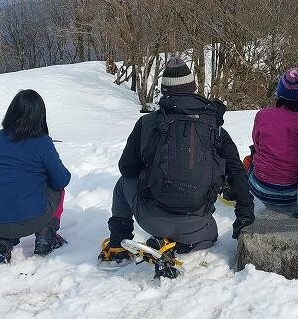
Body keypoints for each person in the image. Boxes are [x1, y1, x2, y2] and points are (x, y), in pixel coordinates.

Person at [97, 56, 255, 278]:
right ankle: (181, 245)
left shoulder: (148, 123)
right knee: (210, 237)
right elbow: (238, 174)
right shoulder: (216, 129)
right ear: (193, 88)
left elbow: (127, 170)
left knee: (122, 184)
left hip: (152, 220)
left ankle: (118, 245)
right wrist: (245, 216)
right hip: (198, 227)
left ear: (164, 91)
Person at [0, 89, 70, 263]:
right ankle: (46, 237)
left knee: (7, 185)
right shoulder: (42, 142)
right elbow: (61, 179)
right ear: (39, 116)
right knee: (56, 186)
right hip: (30, 219)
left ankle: (2, 242)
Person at [244, 68, 298, 206]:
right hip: (293, 192)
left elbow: (257, 145)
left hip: (261, 188)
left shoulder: (262, 115)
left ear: (279, 93)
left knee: (249, 159)